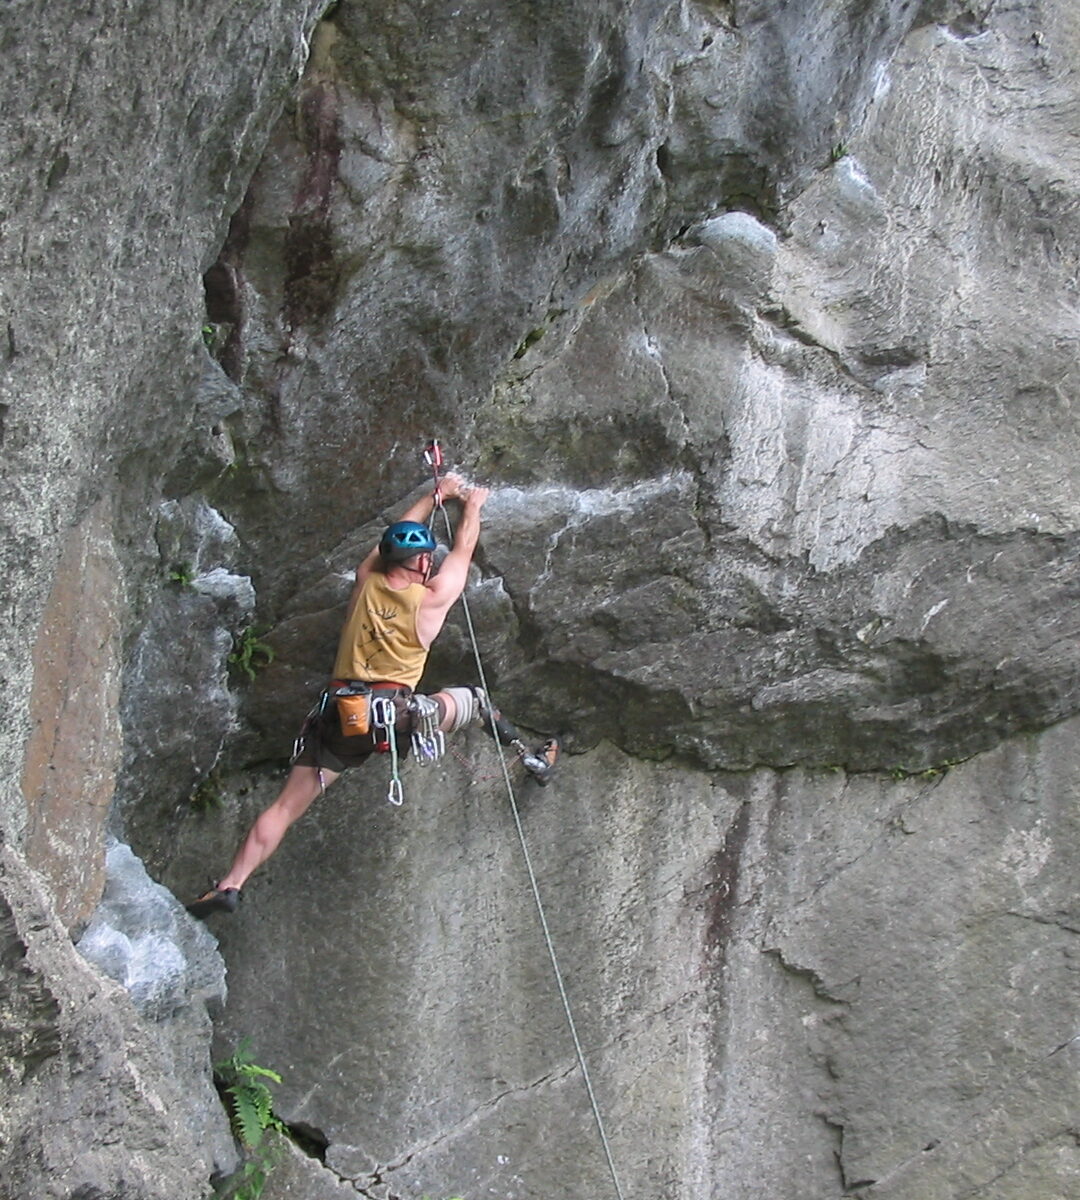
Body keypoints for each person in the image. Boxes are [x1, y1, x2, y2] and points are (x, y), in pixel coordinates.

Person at [187, 475, 558, 918]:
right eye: (425, 557)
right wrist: (471, 504)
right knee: (474, 700)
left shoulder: (366, 583)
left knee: (286, 807)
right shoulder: (432, 599)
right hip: (396, 716)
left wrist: (432, 496)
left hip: (340, 717)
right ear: (421, 563)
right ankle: (531, 758)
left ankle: (230, 885)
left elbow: (390, 539)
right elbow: (462, 552)